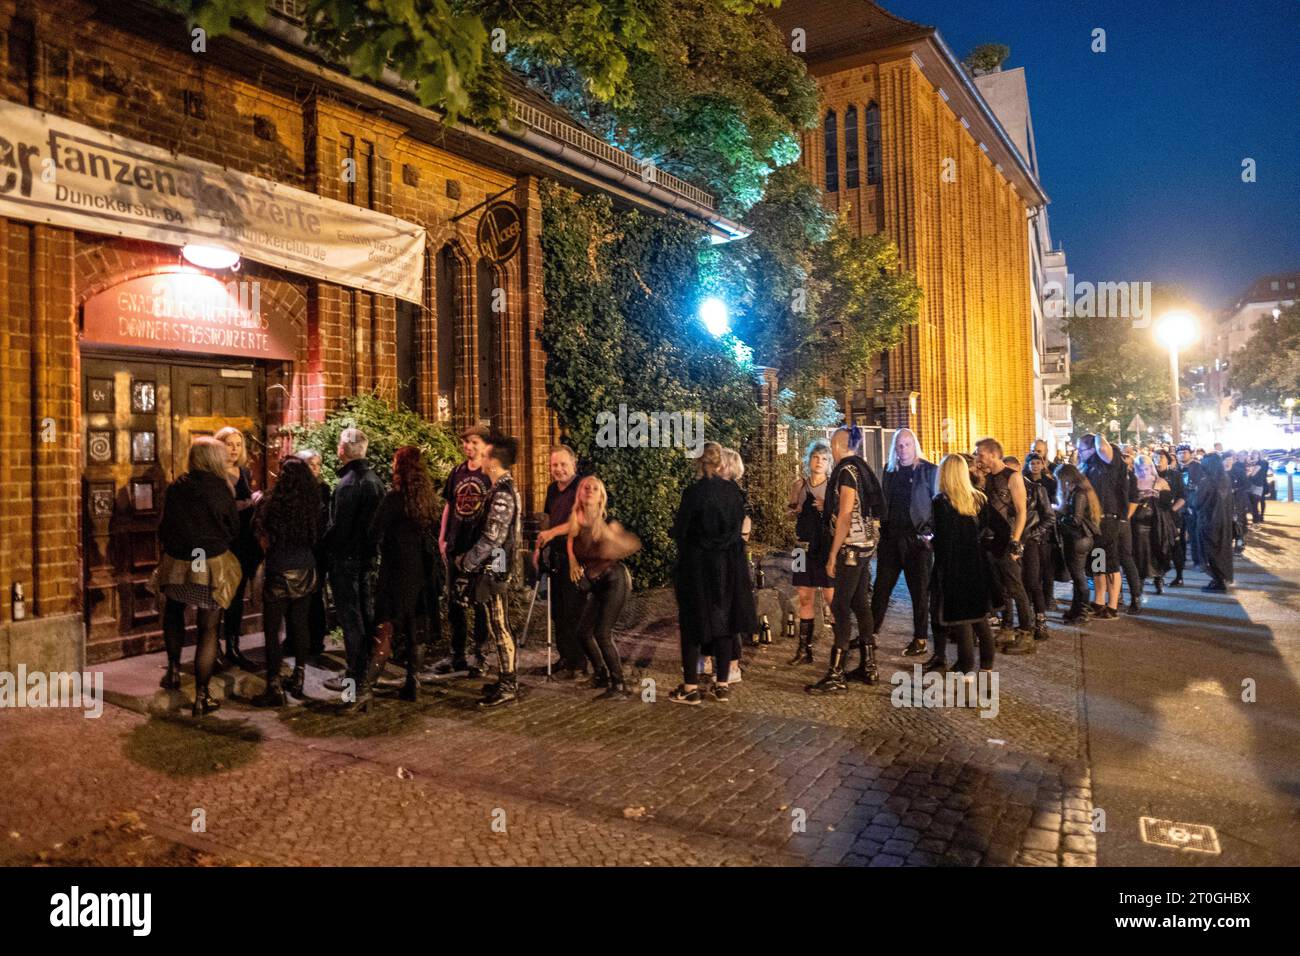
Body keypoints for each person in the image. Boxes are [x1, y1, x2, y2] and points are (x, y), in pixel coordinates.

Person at [156, 437, 242, 717]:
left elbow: (165, 524)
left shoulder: (177, 486)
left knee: (173, 613)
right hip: (209, 564)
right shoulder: (221, 488)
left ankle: (172, 671)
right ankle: (201, 697)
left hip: (179, 563)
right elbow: (233, 527)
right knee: (208, 628)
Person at [668, 442, 756, 705]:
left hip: (698, 565)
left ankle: (691, 687)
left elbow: (681, 530)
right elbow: (738, 528)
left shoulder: (693, 493)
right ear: (720, 464)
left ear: (700, 464)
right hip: (728, 564)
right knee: (726, 622)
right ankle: (722, 684)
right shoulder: (734, 492)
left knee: (693, 623)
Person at [360, 446, 442, 706]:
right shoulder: (427, 500)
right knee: (416, 626)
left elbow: (373, 532)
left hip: (396, 571)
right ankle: (413, 682)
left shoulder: (394, 499)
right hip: (421, 571)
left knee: (386, 628)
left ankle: (364, 689)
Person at [807, 425, 884, 694]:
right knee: (861, 603)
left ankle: (836, 673)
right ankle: (868, 665)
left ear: (838, 445)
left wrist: (832, 554)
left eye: (831, 444)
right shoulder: (861, 467)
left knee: (840, 607)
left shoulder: (847, 472)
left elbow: (845, 515)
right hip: (865, 547)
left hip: (851, 547)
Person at [455, 434, 524, 707]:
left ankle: (508, 683)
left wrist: (467, 563)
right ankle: (505, 678)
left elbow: (493, 538)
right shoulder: (499, 489)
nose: (480, 458)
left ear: (494, 462)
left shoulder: (503, 494)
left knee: (500, 624)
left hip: (496, 567)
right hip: (494, 565)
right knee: (497, 623)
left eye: (486, 456)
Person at [251, 456, 321, 706]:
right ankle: (299, 676)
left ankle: (274, 684)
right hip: (305, 567)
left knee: (272, 629)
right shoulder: (312, 504)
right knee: (300, 624)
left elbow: (260, 536)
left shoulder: (271, 503)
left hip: (279, 568)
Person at [320, 427, 384, 694]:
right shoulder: (374, 480)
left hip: (347, 560)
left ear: (342, 451)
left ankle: (354, 677)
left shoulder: (348, 484)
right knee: (365, 615)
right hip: (367, 558)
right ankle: (366, 670)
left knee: (352, 618)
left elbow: (340, 528)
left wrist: (324, 550)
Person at [924, 454, 996, 688]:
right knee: (981, 619)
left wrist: (930, 542)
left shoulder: (941, 502)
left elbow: (943, 542)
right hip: (977, 566)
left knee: (962, 620)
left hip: (954, 567)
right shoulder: (979, 499)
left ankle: (966, 667)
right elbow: (997, 531)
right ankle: (986, 666)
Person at [567, 476, 641, 700]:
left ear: (601, 496)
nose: (589, 491)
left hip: (614, 581)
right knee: (582, 632)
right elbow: (569, 540)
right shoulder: (576, 519)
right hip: (597, 584)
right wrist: (572, 561)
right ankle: (601, 675)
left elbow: (632, 544)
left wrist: (614, 541)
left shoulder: (606, 523)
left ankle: (619, 684)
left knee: (602, 633)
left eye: (595, 488)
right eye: (585, 487)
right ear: (579, 493)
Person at [871, 428, 938, 658]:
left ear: (915, 446)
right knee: (881, 589)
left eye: (907, 444)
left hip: (917, 541)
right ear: (894, 448)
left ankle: (920, 639)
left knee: (919, 593)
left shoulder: (928, 470)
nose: (903, 449)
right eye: (899, 445)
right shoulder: (889, 471)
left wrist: (930, 533)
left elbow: (936, 502)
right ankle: (870, 634)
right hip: (891, 539)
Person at [435, 425, 493, 677]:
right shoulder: (457, 472)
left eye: (473, 442)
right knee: (455, 603)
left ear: (486, 446)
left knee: (480, 603)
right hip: (456, 546)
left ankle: (480, 655)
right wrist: (442, 537)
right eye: (466, 442)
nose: (468, 447)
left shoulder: (491, 474)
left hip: (478, 549)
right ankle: (457, 654)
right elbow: (450, 504)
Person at [973, 438, 1036, 654]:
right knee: (1000, 587)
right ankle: (1007, 627)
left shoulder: (1012, 476)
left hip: (1007, 540)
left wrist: (1016, 541)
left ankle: (1027, 632)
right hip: (988, 540)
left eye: (980, 453)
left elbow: (1021, 511)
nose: (977, 457)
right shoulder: (985, 478)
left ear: (993, 454)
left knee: (1016, 587)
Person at [532, 445, 588, 679]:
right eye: (554, 465)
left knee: (576, 610)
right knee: (558, 611)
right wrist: (538, 548)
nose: (558, 469)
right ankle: (565, 657)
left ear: (573, 465)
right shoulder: (552, 490)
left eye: (563, 464)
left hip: (577, 556)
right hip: (556, 556)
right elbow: (547, 520)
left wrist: (553, 533)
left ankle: (580, 663)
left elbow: (581, 519)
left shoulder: (582, 487)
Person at [213, 425, 262, 671]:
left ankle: (233, 645)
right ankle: (214, 647)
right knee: (218, 596)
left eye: (238, 444)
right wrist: (240, 504)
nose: (234, 449)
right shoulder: (213, 473)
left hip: (243, 541)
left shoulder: (243, 472)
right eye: (229, 444)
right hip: (222, 542)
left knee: (236, 597)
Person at [787, 440, 834, 665]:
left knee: (831, 598)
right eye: (816, 457)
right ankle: (804, 650)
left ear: (829, 463)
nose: (819, 462)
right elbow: (790, 511)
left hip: (825, 547)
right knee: (804, 596)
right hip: (801, 547)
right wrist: (794, 510)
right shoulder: (799, 484)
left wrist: (828, 508)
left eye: (824, 459)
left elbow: (841, 517)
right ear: (809, 460)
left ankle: (839, 650)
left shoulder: (833, 486)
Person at [1077, 433, 1133, 618]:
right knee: (1098, 562)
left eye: (1082, 449)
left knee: (1111, 563)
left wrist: (1098, 435)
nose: (1079, 453)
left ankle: (1113, 605)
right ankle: (1099, 601)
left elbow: (1102, 448)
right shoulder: (1087, 467)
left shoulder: (1109, 463)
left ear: (1092, 448)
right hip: (1094, 522)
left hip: (1109, 520)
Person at [294, 448, 332, 657]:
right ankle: (296, 640)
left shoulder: (323, 490)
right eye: (311, 464)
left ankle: (315, 641)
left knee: (315, 596)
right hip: (298, 551)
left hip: (316, 551)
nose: (315, 469)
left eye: (318, 464)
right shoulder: (292, 491)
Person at [1054, 464, 1101, 623]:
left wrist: (1060, 518)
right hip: (1081, 539)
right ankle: (1076, 610)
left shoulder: (1078, 493)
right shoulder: (1081, 490)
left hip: (1077, 539)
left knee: (1079, 577)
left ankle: (1082, 612)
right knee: (1078, 577)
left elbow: (1076, 519)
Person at [1018, 453, 1057, 640]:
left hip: (1033, 541)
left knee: (1034, 581)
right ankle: (1023, 622)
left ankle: (1040, 620)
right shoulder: (1006, 492)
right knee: (1018, 584)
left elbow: (1049, 516)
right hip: (1014, 543)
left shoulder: (1038, 489)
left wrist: (1034, 534)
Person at [1131, 454, 1176, 595]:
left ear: (1151, 467)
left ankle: (1158, 579)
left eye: (1147, 468)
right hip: (1138, 522)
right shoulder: (1133, 481)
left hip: (1158, 522)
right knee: (1140, 552)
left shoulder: (1160, 481)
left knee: (1158, 550)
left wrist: (1157, 494)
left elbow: (1169, 501)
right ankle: (1140, 581)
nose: (1144, 471)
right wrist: (1140, 496)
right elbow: (1128, 499)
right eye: (1141, 468)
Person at [1023, 452, 1061, 614]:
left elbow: (1053, 505)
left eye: (1038, 463)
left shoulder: (1049, 482)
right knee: (1032, 570)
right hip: (1030, 531)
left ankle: (1048, 598)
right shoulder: (1023, 482)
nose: (1035, 466)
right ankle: (1032, 599)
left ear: (1043, 464)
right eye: (1032, 463)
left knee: (1047, 566)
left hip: (1044, 531)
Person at [1196, 453, 1235, 591]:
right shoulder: (1225, 478)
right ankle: (1220, 578)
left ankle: (1218, 580)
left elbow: (1197, 503)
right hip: (1223, 522)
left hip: (1208, 522)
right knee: (1221, 551)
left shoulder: (1206, 481)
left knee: (1209, 553)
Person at [1174, 443, 1204, 580]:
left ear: (1190, 453)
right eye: (1179, 453)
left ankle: (1198, 561)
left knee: (1194, 535)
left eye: (1185, 452)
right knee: (1179, 536)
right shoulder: (1175, 468)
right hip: (1179, 505)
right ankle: (1181, 560)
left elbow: (1202, 485)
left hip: (1192, 505)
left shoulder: (1197, 467)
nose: (1182, 455)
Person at [1228, 455, 1251, 553]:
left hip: (1238, 501)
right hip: (1224, 502)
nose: (1227, 462)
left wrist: (1235, 489)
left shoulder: (1239, 471)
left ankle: (1239, 542)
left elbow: (1247, 485)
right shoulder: (1219, 472)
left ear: (1233, 460)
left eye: (1229, 460)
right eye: (1225, 459)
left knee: (1238, 522)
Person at [1247, 451, 1267, 524]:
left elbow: (1252, 474)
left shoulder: (1261, 462)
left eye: (1255, 453)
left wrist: (1247, 473)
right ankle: (1257, 519)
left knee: (1255, 503)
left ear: (1258, 455)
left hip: (1258, 485)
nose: (1253, 455)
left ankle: (1257, 519)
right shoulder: (1252, 463)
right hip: (1250, 485)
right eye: (1252, 453)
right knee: (1252, 504)